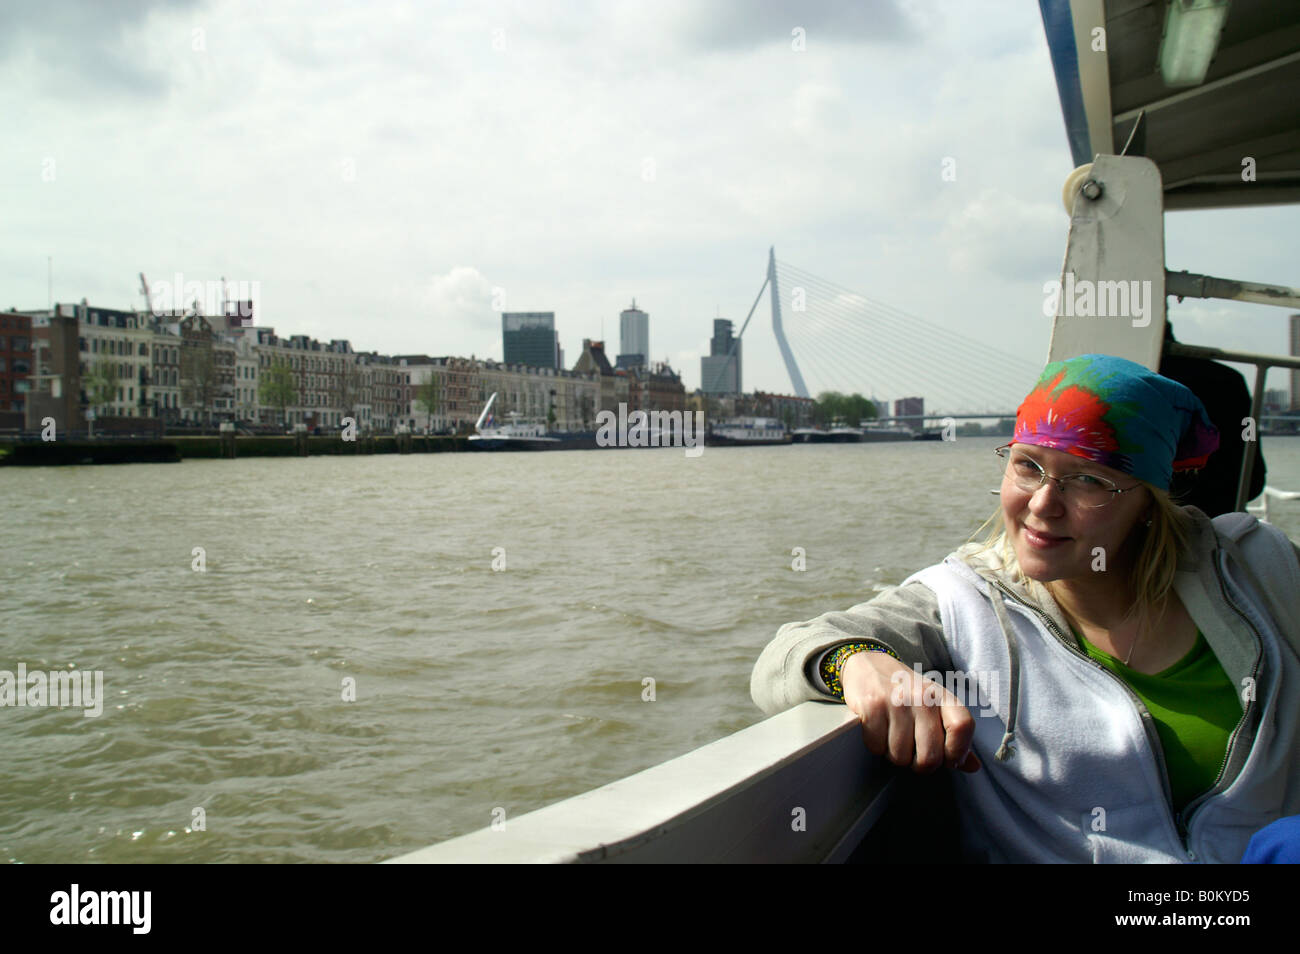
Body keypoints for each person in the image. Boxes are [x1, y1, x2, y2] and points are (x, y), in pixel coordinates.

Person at [751, 353, 1300, 863]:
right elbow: (784, 656)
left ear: (1147, 499)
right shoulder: (961, 601)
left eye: (1088, 480)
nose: (1042, 505)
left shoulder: (1259, 569)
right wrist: (856, 661)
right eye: (1027, 466)